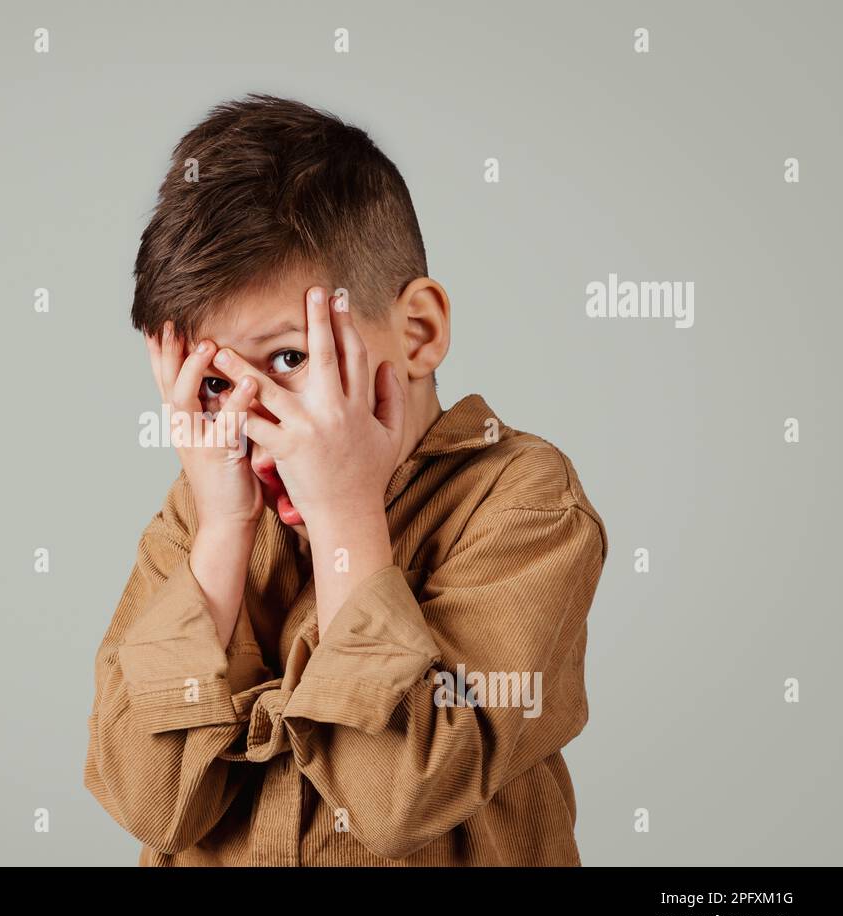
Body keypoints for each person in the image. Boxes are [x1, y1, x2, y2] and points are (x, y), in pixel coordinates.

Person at [84, 93, 608, 866]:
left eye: (291, 359)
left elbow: (401, 799)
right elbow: (150, 803)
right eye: (217, 384)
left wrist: (344, 518)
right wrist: (223, 536)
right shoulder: (205, 513)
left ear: (419, 331)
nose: (254, 418)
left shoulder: (522, 502)